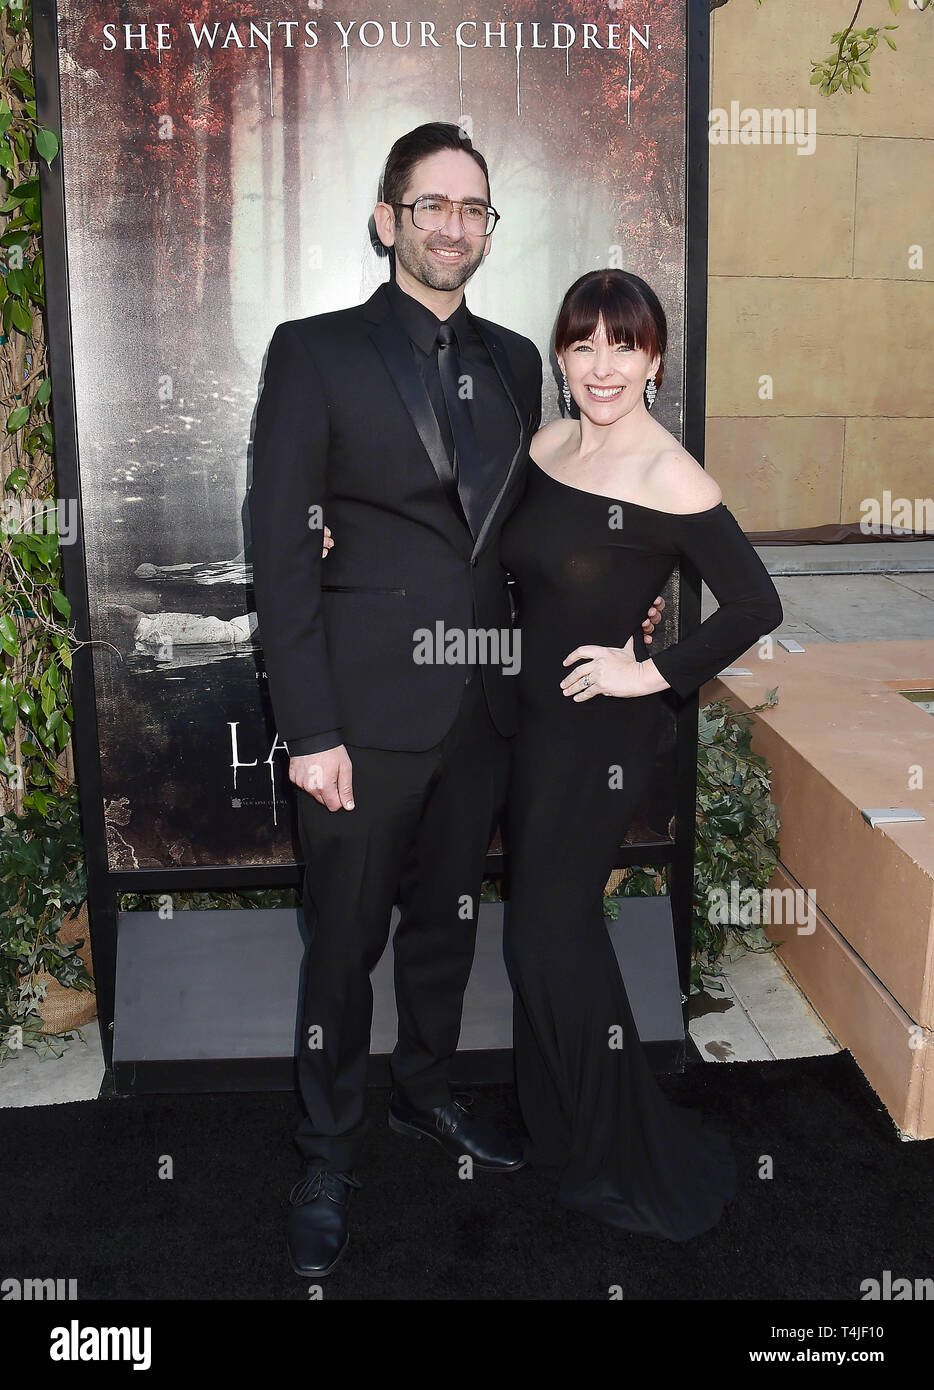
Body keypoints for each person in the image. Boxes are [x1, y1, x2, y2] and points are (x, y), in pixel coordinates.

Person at [247, 122, 671, 1276]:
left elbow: (533, 535)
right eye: (429, 204)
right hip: (361, 720)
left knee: (445, 928)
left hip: (482, 710)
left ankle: (423, 1091)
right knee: (342, 945)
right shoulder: (313, 350)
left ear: (487, 229)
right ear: (388, 219)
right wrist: (310, 731)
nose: (451, 224)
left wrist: (618, 603)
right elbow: (280, 551)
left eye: (472, 208)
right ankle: (326, 1150)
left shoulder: (515, 364)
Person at [499, 268, 785, 1240]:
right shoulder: (542, 445)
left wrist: (650, 672)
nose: (602, 365)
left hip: (598, 735)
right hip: (528, 722)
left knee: (547, 931)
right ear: (562, 356)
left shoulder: (669, 472)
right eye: (583, 344)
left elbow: (755, 604)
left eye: (624, 345)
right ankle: (562, 1125)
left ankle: (621, 1150)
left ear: (654, 358)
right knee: (537, 932)